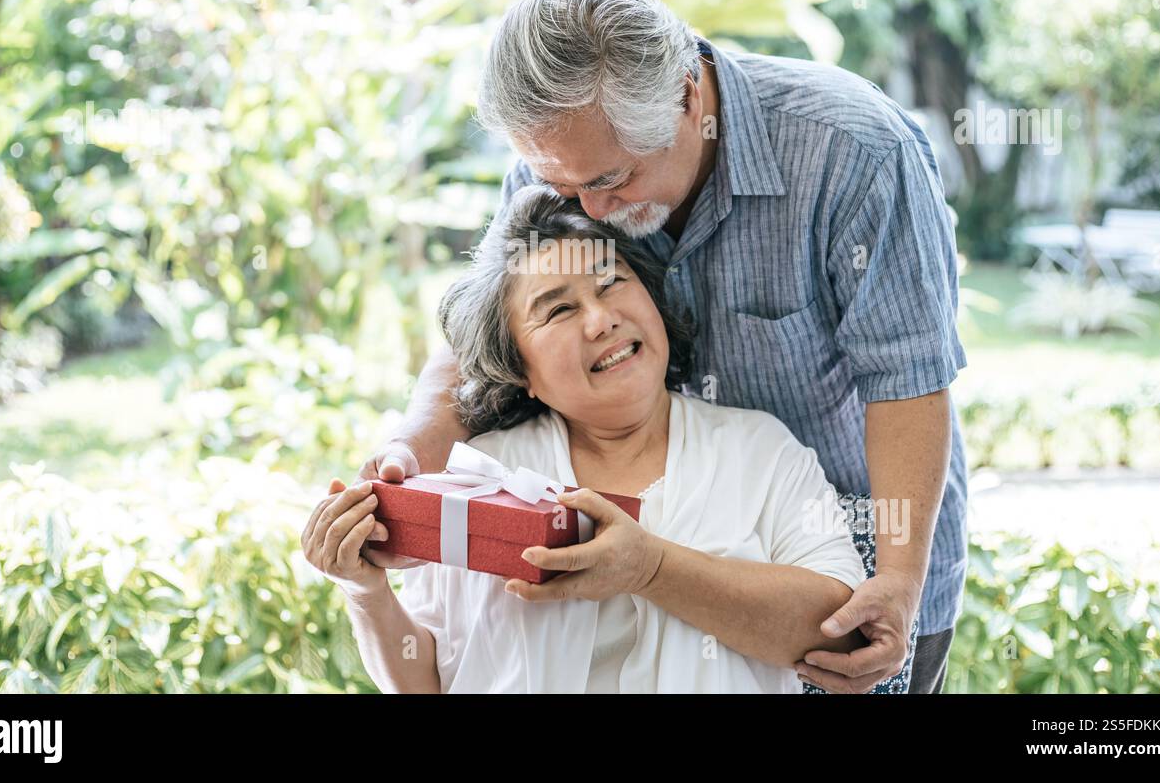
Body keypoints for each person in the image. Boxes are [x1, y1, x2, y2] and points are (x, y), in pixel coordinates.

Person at [359, 0, 967, 693]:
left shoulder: (854, 151)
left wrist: (896, 582)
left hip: (871, 547)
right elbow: (488, 323)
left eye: (611, 180)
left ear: (686, 96)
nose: (587, 209)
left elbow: (908, 378)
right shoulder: (566, 158)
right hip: (666, 555)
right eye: (563, 186)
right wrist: (407, 456)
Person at [302, 186, 870, 692]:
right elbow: (423, 678)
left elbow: (843, 634)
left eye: (612, 284)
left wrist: (651, 569)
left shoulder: (759, 450)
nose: (600, 321)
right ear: (518, 366)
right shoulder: (478, 479)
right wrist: (365, 591)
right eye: (559, 310)